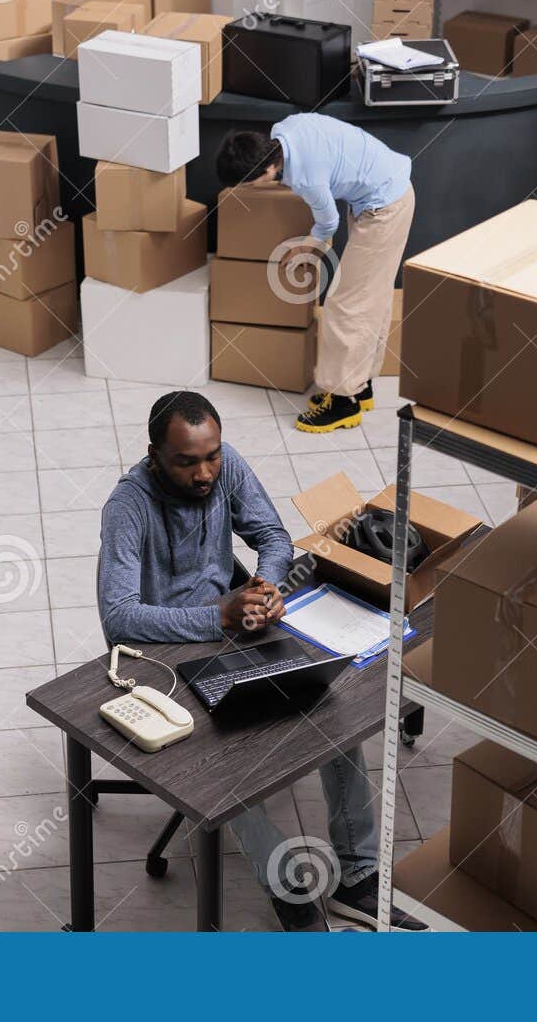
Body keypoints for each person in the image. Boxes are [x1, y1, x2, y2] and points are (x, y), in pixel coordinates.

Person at [96, 390, 421, 931]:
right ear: (154, 457)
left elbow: (271, 536)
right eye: (187, 461)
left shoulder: (227, 467)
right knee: (229, 760)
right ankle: (290, 891)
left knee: (329, 710)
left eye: (212, 456)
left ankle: (358, 877)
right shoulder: (127, 506)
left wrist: (268, 584)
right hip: (167, 651)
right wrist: (217, 617)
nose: (205, 473)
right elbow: (120, 617)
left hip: (235, 624)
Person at [215, 115, 415, 434]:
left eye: (249, 183)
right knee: (369, 299)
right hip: (376, 195)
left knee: (346, 304)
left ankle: (342, 404)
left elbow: (327, 223)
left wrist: (304, 248)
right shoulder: (283, 130)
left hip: (384, 207)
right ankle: (358, 386)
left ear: (266, 169)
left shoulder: (306, 178)